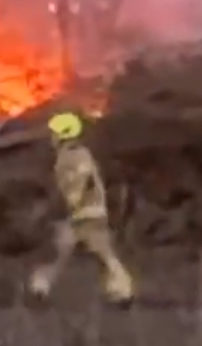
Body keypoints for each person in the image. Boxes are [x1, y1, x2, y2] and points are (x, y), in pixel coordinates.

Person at [27, 112, 137, 306]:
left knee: (102, 254)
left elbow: (81, 178)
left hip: (88, 214)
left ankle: (123, 291)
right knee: (62, 253)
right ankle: (39, 288)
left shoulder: (76, 155)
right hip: (78, 215)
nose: (51, 137)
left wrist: (73, 199)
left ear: (64, 133)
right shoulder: (67, 156)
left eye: (54, 133)